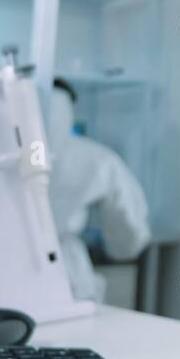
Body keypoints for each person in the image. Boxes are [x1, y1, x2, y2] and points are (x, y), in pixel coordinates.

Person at [47, 78, 151, 302]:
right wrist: (120, 247)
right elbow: (130, 228)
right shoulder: (94, 156)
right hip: (67, 271)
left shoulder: (2, 153)